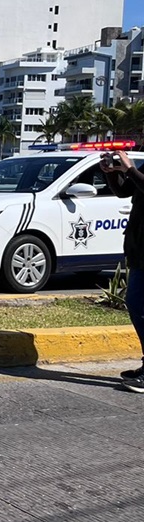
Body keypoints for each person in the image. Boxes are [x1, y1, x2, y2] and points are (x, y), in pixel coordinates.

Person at [101, 148, 144, 391]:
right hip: (139, 249)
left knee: (138, 304)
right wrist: (111, 172)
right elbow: (124, 191)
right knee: (138, 305)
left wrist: (129, 168)